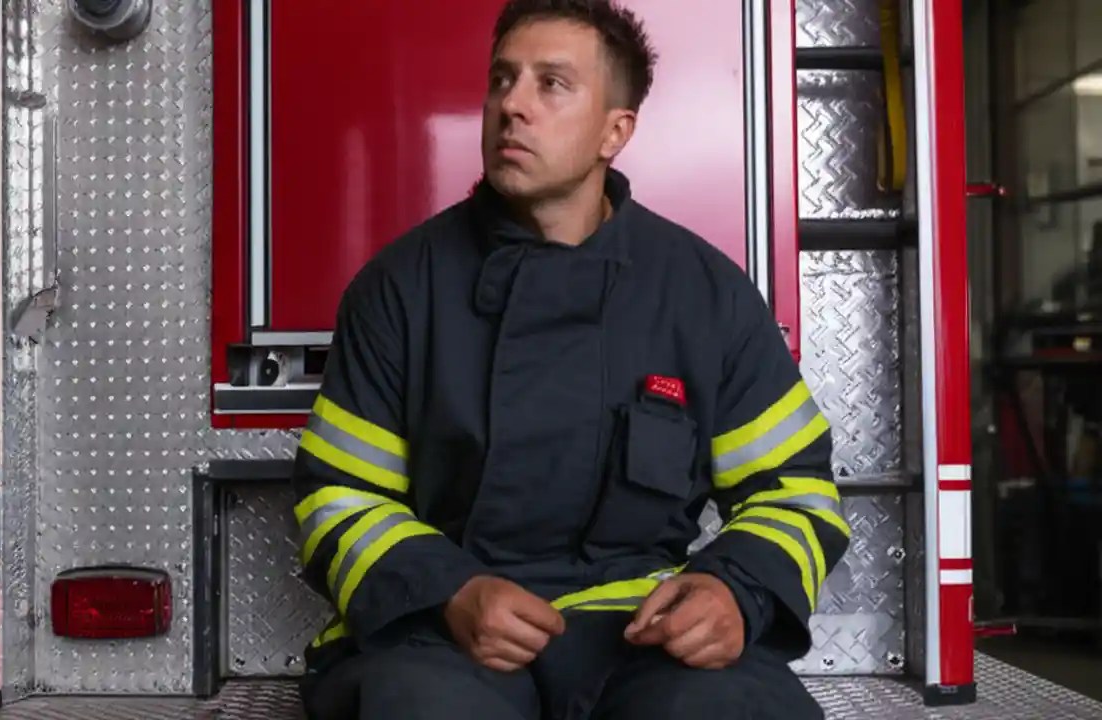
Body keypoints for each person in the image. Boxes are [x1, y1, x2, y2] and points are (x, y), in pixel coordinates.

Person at [289, 1, 850, 717]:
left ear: (615, 131)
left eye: (551, 84)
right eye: (501, 80)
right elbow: (337, 495)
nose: (511, 106)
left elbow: (793, 491)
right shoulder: (401, 288)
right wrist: (450, 590)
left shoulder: (704, 294)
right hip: (444, 633)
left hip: (641, 632)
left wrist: (730, 591)